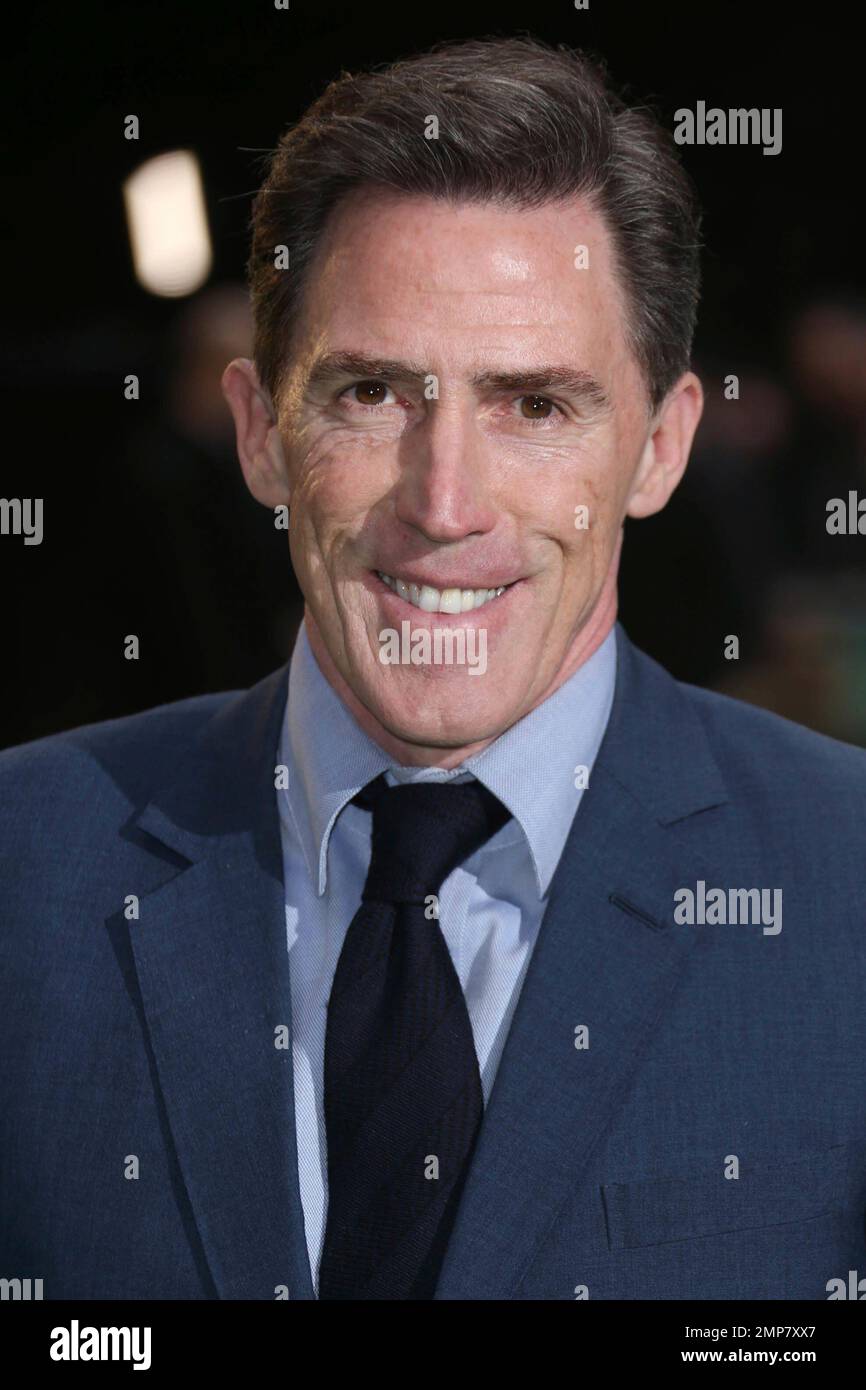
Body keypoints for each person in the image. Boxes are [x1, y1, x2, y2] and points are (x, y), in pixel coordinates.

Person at [1, 36, 864, 1303]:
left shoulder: (843, 884)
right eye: (369, 393)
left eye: (534, 405)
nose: (444, 502)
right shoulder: (25, 870)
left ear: (659, 449)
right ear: (258, 433)